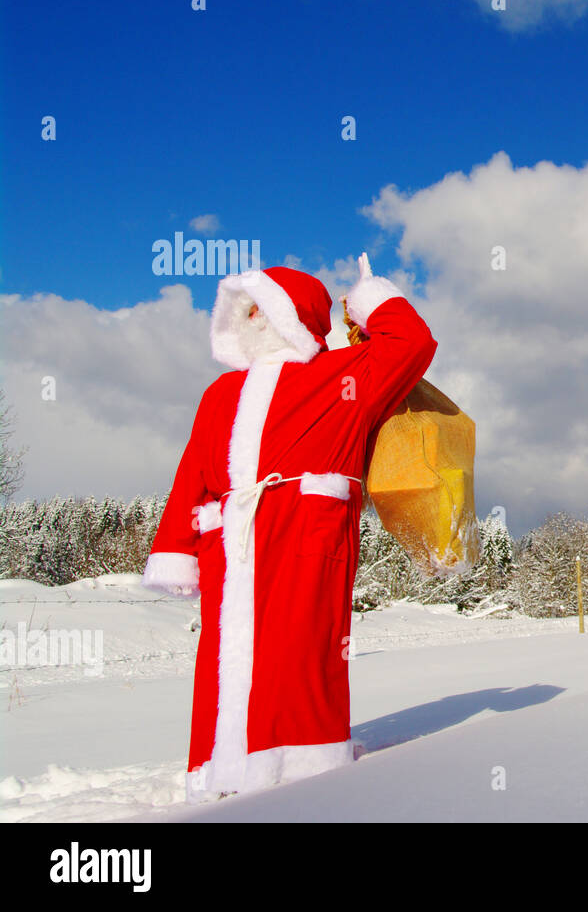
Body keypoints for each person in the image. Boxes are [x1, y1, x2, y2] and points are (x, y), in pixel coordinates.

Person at [141, 254, 436, 803]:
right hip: (229, 542)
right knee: (224, 659)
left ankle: (304, 771)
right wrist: (179, 548)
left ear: (293, 314)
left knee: (302, 650)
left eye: (263, 307)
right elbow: (191, 478)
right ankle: (220, 770)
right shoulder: (219, 394)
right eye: (244, 308)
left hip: (308, 531)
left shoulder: (344, 375)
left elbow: (411, 343)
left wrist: (371, 299)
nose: (251, 317)